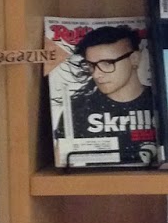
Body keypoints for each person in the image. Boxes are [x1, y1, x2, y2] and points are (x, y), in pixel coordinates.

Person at [63, 23, 157, 165]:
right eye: (91, 65)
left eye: (107, 63)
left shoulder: (161, 101)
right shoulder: (76, 110)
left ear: (134, 59)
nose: (96, 74)